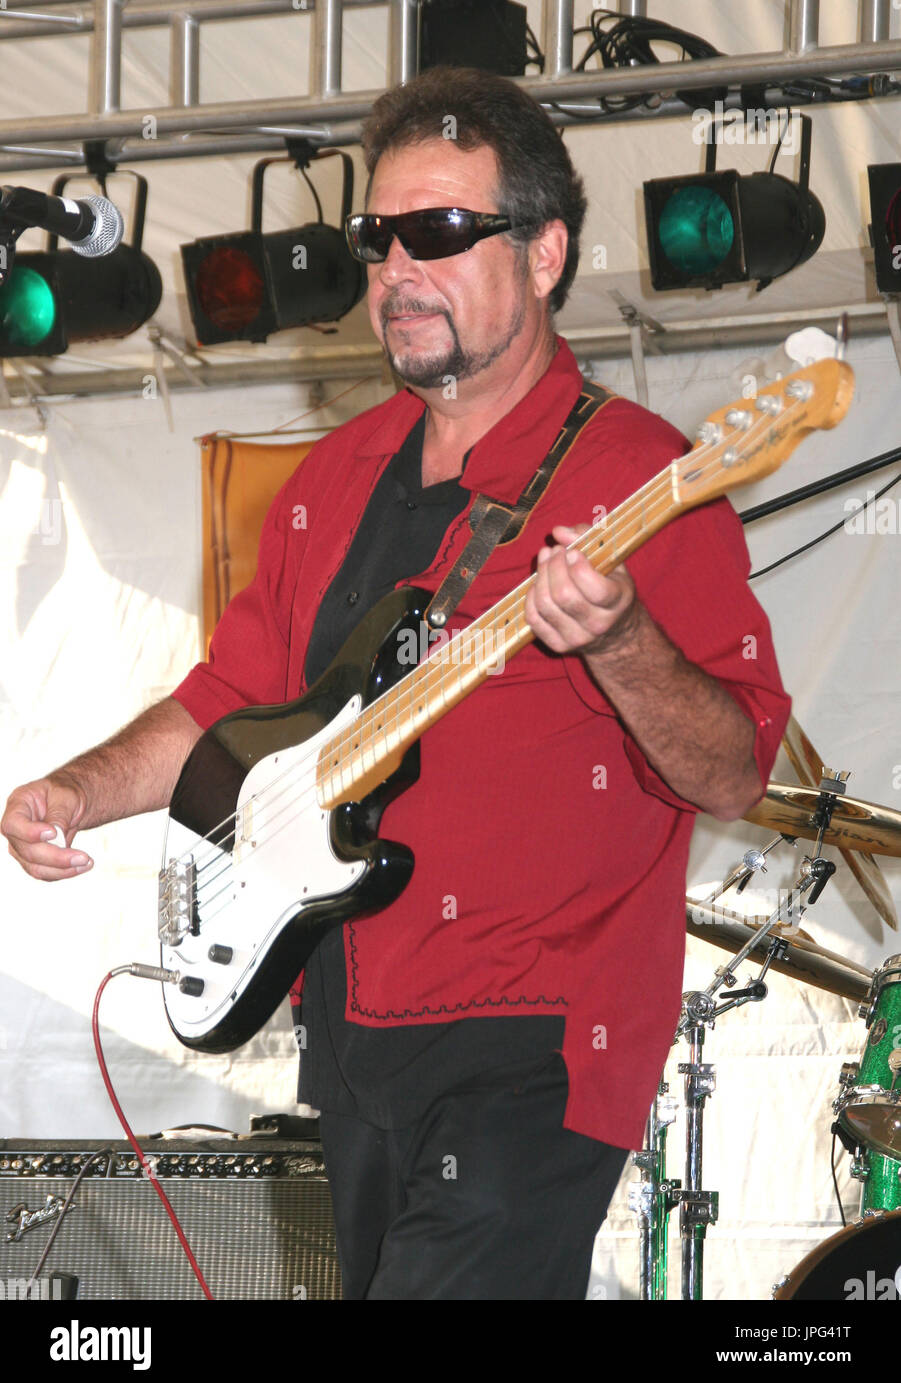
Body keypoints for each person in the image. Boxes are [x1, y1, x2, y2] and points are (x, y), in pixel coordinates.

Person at [2, 67, 789, 1300]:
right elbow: (230, 699)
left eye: (441, 233)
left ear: (542, 256)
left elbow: (734, 768)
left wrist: (624, 636)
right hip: (357, 1029)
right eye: (379, 238)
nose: (395, 269)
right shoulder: (335, 476)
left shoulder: (644, 477)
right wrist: (71, 791)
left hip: (537, 1034)